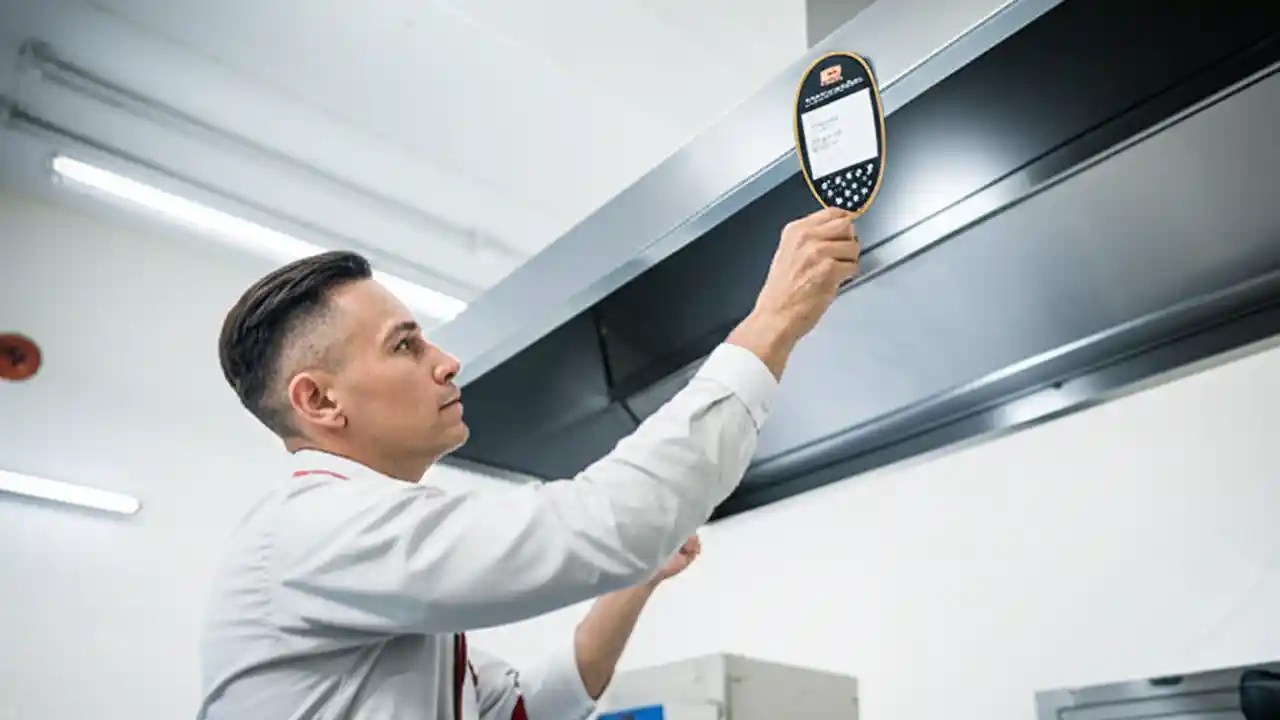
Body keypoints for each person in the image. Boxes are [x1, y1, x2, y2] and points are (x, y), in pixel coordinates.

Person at [197, 206, 861, 719]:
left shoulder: (367, 571)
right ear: (319, 400)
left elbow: (526, 708)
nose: (446, 361)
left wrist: (636, 579)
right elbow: (597, 526)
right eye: (405, 346)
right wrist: (774, 320)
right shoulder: (314, 530)